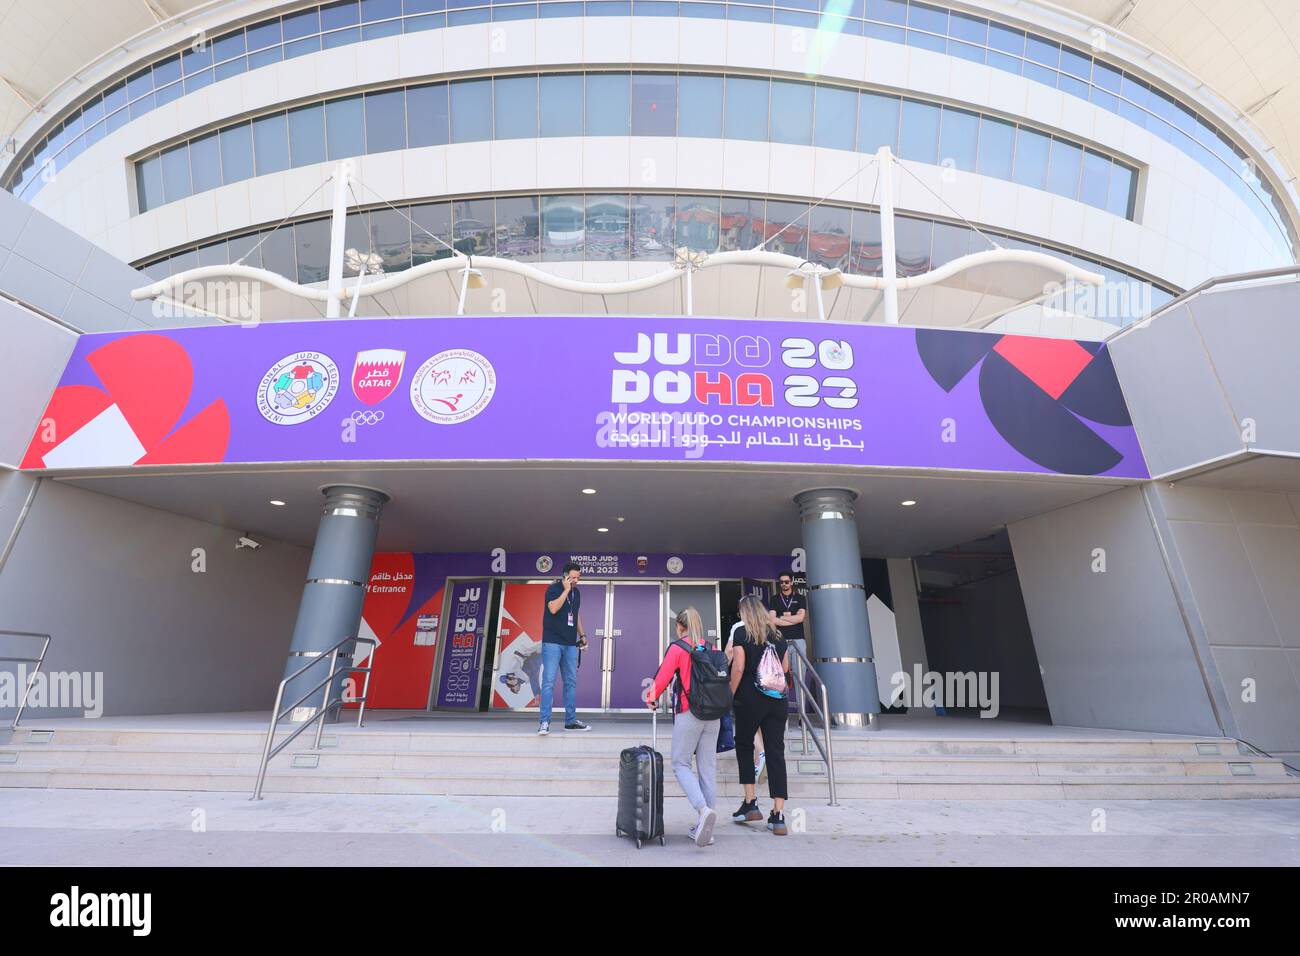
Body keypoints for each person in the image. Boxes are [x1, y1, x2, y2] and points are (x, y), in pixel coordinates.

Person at [646, 607, 720, 847]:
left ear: (679, 626)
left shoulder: (678, 647)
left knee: (680, 763)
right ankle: (707, 828)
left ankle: (702, 811)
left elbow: (662, 678)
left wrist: (652, 697)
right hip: (714, 715)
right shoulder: (711, 648)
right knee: (707, 768)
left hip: (690, 713)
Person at [730, 594, 792, 835]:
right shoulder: (778, 636)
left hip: (749, 699)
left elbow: (739, 666)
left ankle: (750, 802)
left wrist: (730, 693)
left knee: (744, 745)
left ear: (745, 612)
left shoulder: (742, 633)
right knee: (776, 752)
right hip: (777, 702)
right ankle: (778, 815)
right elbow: (784, 670)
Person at [537, 562, 591, 735]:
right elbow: (552, 608)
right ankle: (544, 722)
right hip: (552, 642)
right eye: (573, 578)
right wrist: (566, 590)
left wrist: (582, 635)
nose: (576, 581)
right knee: (549, 683)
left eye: (578, 578)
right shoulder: (553, 589)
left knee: (570, 683)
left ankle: (570, 721)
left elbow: (575, 616)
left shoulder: (578, 593)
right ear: (565, 576)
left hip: (570, 644)